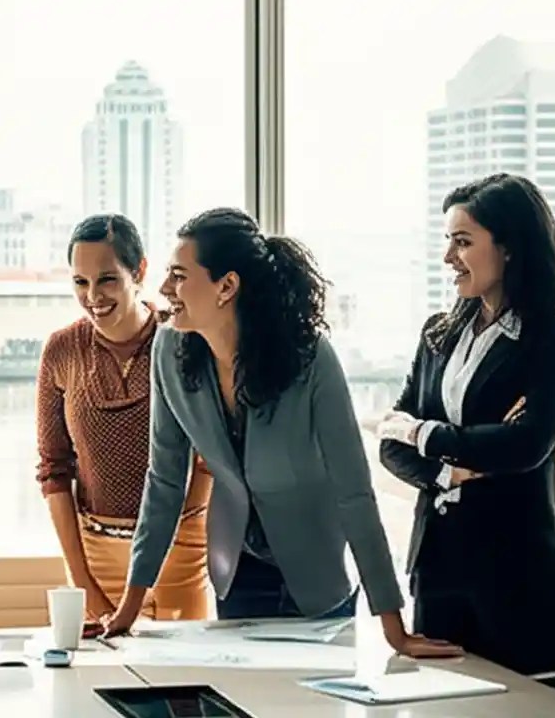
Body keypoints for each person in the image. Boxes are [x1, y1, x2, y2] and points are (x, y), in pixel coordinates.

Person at [101, 207, 460, 658]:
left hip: (317, 582)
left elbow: (354, 492)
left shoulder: (310, 358)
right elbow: (165, 481)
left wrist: (394, 629)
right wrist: (130, 607)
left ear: (226, 286)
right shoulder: (169, 352)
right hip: (237, 575)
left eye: (179, 275)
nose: (164, 289)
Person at [376, 173, 555, 686]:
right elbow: (389, 442)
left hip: (519, 587)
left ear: (509, 247)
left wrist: (424, 434)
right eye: (448, 241)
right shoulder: (438, 333)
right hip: (439, 578)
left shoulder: (553, 336)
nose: (448, 257)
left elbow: (525, 445)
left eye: (463, 242)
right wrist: (447, 472)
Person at [37, 214, 213, 624]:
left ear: (139, 272)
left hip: (178, 552)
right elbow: (53, 470)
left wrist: (185, 531)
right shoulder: (61, 350)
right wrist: (82, 582)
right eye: (80, 282)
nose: (92, 296)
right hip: (96, 556)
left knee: (185, 665)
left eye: (107, 279)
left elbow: (211, 452)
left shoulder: (185, 341)